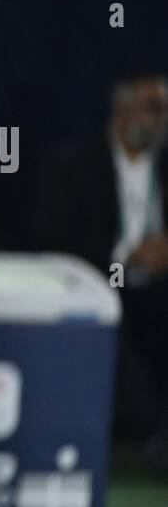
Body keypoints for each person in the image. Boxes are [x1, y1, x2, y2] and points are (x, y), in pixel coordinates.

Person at [34, 71, 168, 475]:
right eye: (155, 109)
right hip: (105, 276)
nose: (163, 120)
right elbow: (56, 240)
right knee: (113, 313)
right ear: (123, 112)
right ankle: (153, 432)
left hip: (160, 280)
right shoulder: (76, 165)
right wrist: (126, 258)